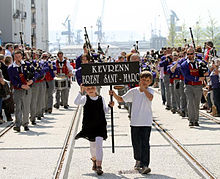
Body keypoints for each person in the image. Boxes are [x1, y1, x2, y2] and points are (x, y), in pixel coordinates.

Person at [109, 71, 154, 174]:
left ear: (150, 82)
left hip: (146, 122)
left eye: (147, 81)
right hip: (135, 122)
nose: (145, 82)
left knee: (145, 144)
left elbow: (150, 98)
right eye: (143, 80)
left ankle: (145, 164)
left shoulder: (150, 90)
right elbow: (121, 99)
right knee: (136, 143)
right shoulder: (133, 91)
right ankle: (138, 160)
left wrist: (144, 90)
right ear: (139, 80)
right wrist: (114, 94)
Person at [74, 85, 114, 175]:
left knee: (99, 145)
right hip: (89, 126)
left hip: (100, 125)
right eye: (88, 89)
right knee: (93, 147)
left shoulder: (101, 98)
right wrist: (80, 92)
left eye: (92, 88)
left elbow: (105, 110)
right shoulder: (85, 98)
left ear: (96, 88)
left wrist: (110, 106)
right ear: (86, 90)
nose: (90, 90)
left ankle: (99, 166)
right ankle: (94, 159)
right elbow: (76, 102)